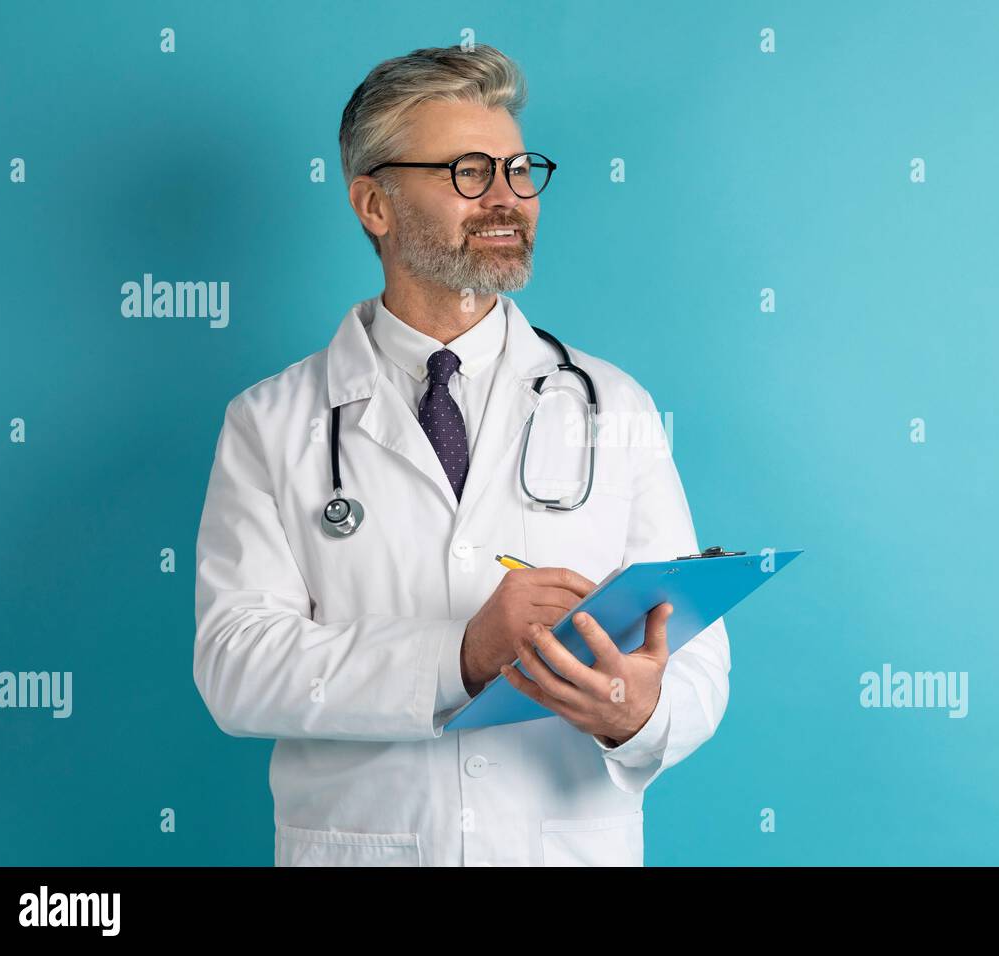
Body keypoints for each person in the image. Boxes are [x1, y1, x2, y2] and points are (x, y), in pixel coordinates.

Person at [193, 43, 730, 866]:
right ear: (374, 204)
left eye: (520, 170)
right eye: (469, 172)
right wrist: (462, 653)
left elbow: (693, 662)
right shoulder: (271, 421)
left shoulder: (610, 405)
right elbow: (236, 667)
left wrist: (637, 713)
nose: (508, 199)